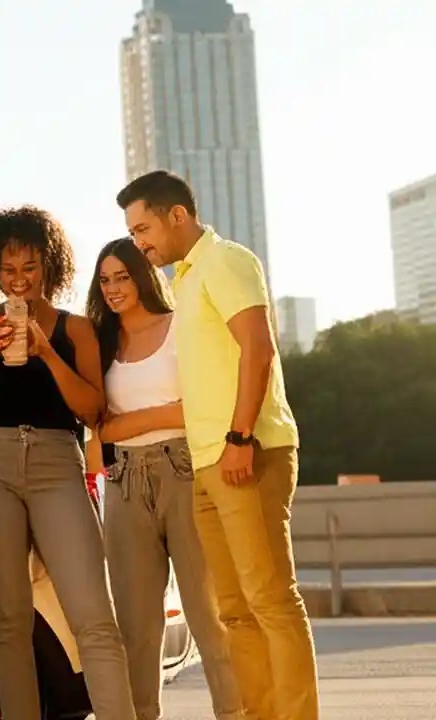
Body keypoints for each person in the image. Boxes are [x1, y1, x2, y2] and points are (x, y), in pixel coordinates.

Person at [117, 170, 319, 720]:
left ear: (176, 215)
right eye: (133, 234)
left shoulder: (226, 260)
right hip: (206, 461)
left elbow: (257, 349)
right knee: (232, 610)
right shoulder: (183, 280)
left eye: (143, 229)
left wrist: (239, 438)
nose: (140, 243)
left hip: (246, 452)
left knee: (271, 600)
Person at [0, 205, 137, 720]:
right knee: (8, 625)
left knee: (94, 618)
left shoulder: (76, 330)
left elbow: (92, 409)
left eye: (29, 268)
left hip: (57, 465)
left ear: (49, 266)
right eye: (8, 270)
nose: (19, 280)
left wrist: (46, 354)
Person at [86, 236, 243, 719]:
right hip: (124, 482)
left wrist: (136, 421)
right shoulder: (99, 342)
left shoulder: (180, 327)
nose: (114, 288)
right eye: (105, 279)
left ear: (142, 276)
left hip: (185, 471)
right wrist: (161, 414)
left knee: (209, 615)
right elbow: (98, 434)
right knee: (136, 627)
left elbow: (200, 406)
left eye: (123, 276)